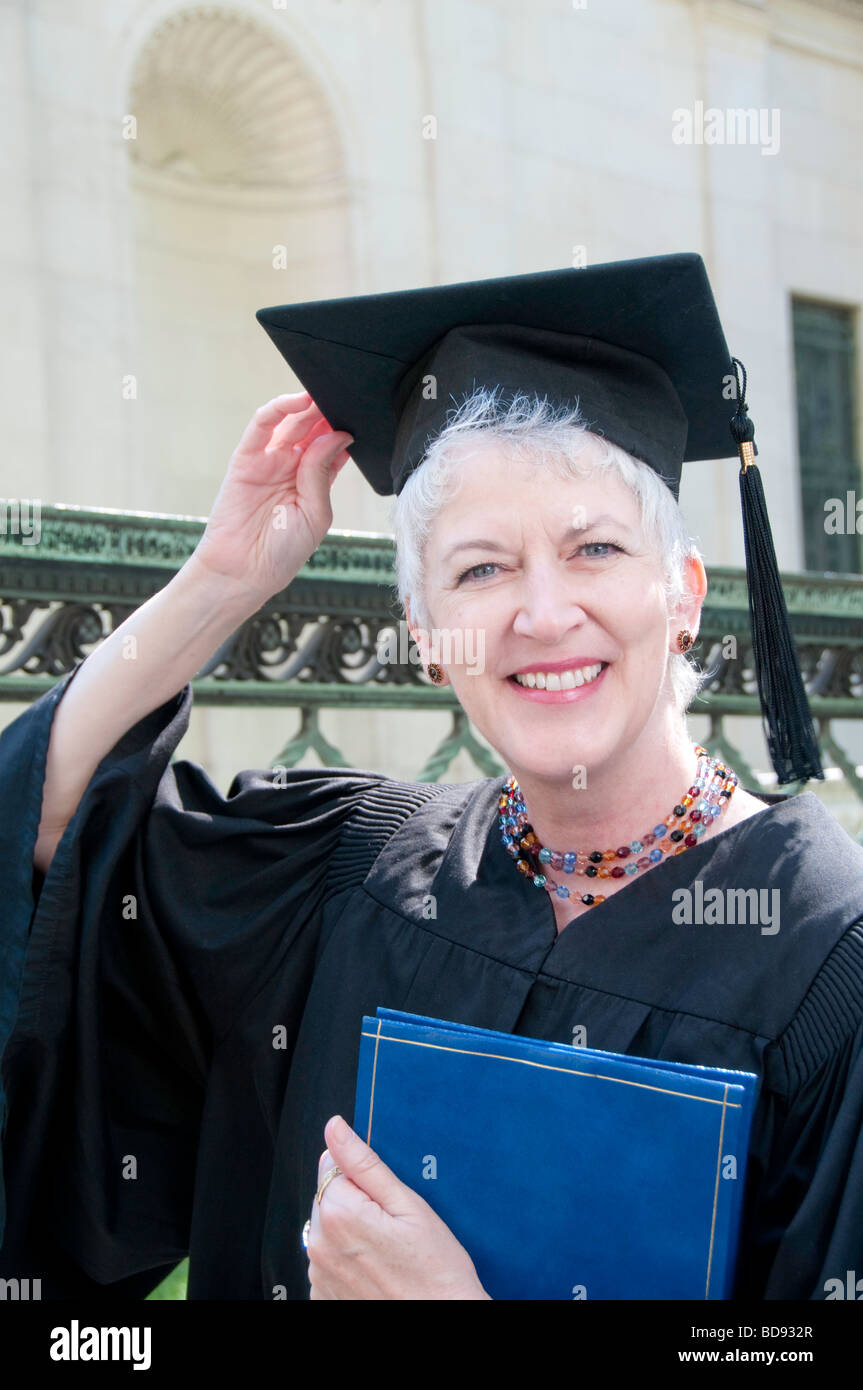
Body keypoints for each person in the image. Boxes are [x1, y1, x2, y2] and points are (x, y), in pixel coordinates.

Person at [0, 254, 861, 1301]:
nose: (541, 614)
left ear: (681, 595)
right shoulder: (342, 871)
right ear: (424, 633)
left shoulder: (825, 958)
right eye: (480, 569)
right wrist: (220, 583)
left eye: (591, 549)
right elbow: (48, 837)